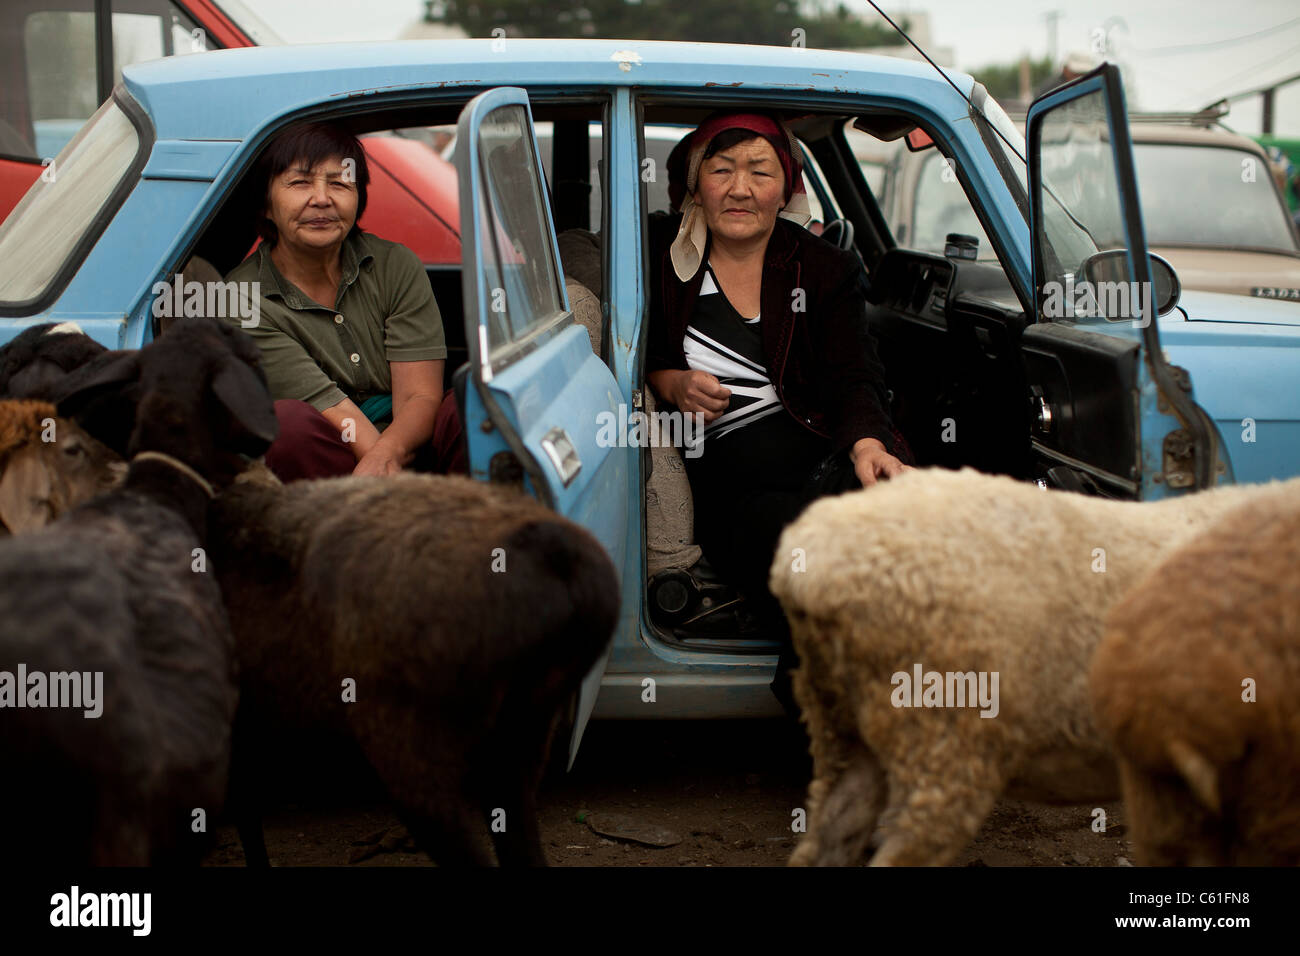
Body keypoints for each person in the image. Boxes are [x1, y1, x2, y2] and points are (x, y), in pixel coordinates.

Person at [645, 112, 911, 709]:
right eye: (722, 170)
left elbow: (856, 376)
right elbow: (643, 357)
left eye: (760, 172)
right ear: (696, 184)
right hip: (731, 490)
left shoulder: (824, 269)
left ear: (785, 187)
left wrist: (870, 445)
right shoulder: (660, 258)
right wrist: (673, 384)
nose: (740, 188)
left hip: (826, 466)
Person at [224, 122, 465, 481]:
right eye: (300, 182)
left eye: (339, 183)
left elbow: (419, 397)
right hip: (331, 465)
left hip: (411, 445)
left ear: (358, 199)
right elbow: (334, 410)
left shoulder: (394, 265)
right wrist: (403, 497)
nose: (322, 198)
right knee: (288, 424)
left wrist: (391, 457)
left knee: (470, 404)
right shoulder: (239, 300)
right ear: (267, 206)